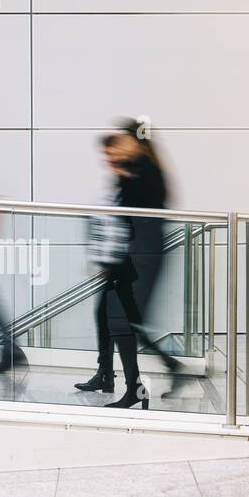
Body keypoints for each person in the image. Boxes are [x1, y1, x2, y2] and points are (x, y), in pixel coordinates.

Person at [75, 122, 172, 409]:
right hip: (128, 257)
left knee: (122, 321)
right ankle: (117, 379)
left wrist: (123, 173)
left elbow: (140, 210)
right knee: (109, 315)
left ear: (137, 140)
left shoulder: (146, 169)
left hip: (141, 257)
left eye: (122, 141)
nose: (116, 150)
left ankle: (136, 388)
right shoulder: (135, 168)